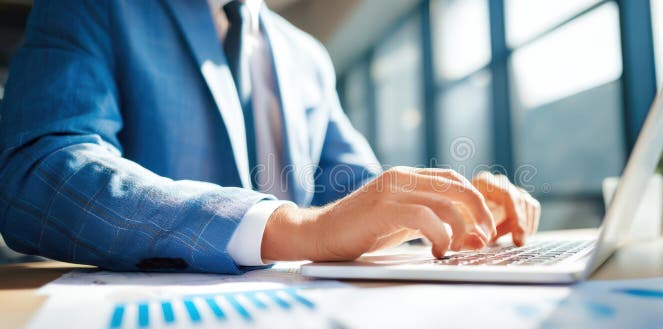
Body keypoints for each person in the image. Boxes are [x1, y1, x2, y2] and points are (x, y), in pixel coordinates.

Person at [0, 0, 540, 274]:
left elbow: (356, 194)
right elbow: (37, 169)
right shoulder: (94, 6)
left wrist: (443, 207)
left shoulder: (307, 57)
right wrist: (286, 226)